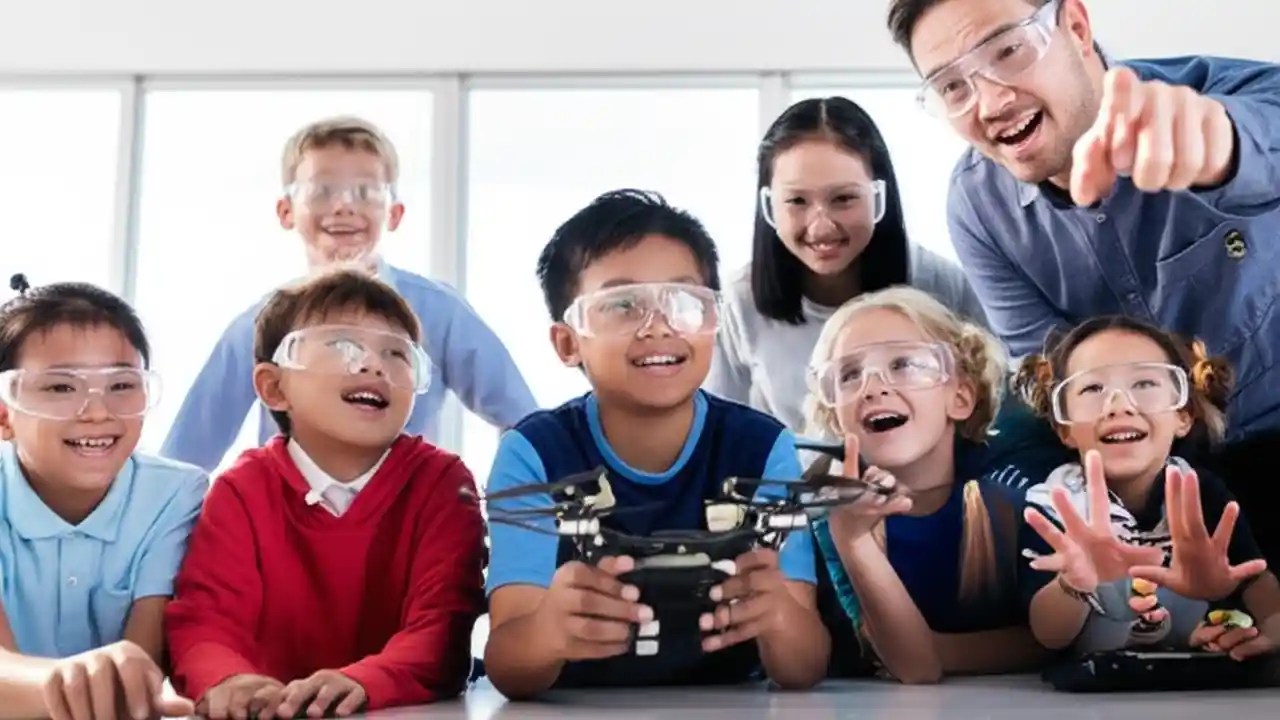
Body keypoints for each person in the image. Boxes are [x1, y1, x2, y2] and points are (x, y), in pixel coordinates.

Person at [885, 0, 1280, 563]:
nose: (990, 103)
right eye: (952, 86)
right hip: (1153, 484)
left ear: (1075, 25)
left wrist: (1228, 147)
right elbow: (1053, 378)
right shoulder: (979, 209)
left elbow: (1264, 126)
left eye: (1008, 49)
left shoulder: (1222, 95)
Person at [482, 190, 828, 699]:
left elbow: (803, 668)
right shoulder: (532, 454)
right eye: (622, 305)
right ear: (568, 342)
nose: (658, 327)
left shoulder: (762, 448)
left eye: (684, 302)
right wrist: (546, 631)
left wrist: (780, 615)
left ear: (713, 320)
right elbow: (509, 668)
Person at [164, 269, 486, 718]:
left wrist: (365, 681)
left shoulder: (443, 483)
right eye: (342, 345)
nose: (373, 366)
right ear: (274, 387)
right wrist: (228, 681)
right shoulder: (241, 490)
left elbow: (442, 628)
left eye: (396, 353)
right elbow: (205, 622)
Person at [161, 115, 537, 472]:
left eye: (366, 192)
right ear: (286, 210)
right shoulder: (254, 327)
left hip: (409, 515)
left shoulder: (440, 313)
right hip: (288, 515)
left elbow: (526, 424)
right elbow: (185, 458)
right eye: (321, 191)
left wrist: (507, 507)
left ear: (394, 213)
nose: (344, 206)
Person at [803, 286, 1069, 683]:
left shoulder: (1014, 497)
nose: (872, 387)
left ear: (960, 397)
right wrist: (854, 541)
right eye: (849, 374)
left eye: (903, 364)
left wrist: (937, 650)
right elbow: (917, 666)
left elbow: (1053, 640)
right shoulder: (836, 515)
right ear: (836, 417)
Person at [706, 96, 984, 432]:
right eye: (796, 201)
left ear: (879, 196)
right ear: (769, 205)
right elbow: (718, 429)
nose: (821, 227)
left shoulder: (941, 284)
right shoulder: (739, 302)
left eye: (843, 199)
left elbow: (992, 409)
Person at [1012, 316, 1278, 659]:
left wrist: (1272, 628)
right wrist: (1073, 583)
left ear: (1183, 415)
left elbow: (1254, 577)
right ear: (1065, 428)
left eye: (1144, 384)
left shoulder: (1201, 493)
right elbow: (1048, 635)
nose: (1119, 405)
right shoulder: (1054, 506)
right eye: (1093, 389)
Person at [0, 275, 204, 719]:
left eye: (121, 385)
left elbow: (141, 662)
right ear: (4, 414)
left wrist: (122, 687)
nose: (97, 412)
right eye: (60, 387)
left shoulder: (175, 495)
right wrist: (79, 683)